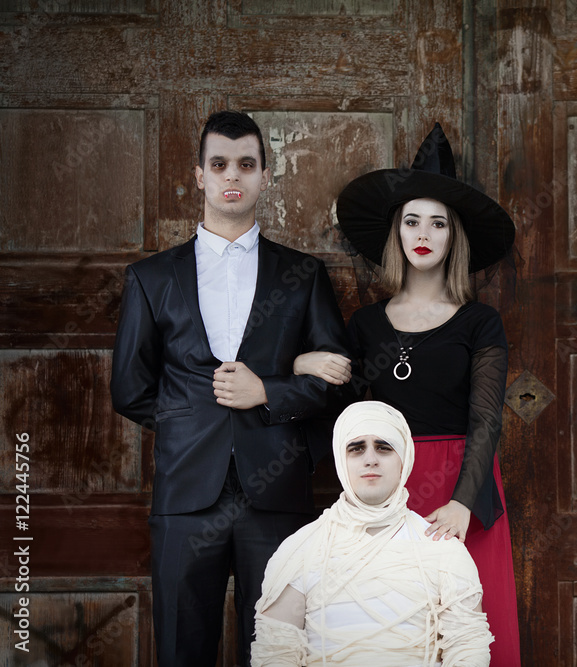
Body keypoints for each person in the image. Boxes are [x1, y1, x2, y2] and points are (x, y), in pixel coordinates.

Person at [110, 110, 356, 666]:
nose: (232, 176)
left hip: (276, 492)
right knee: (181, 648)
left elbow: (337, 383)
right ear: (200, 175)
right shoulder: (151, 277)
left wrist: (268, 391)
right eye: (219, 164)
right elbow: (129, 389)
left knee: (275, 650)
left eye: (246, 164)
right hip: (185, 493)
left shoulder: (303, 274)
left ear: (265, 176)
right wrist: (193, 421)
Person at [294, 123, 520, 664]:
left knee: (467, 630)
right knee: (395, 631)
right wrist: (301, 364)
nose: (424, 233)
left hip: (461, 486)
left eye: (438, 223)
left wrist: (463, 503)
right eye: (412, 220)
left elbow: (486, 419)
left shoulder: (480, 322)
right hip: (388, 484)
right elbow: (342, 413)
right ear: (396, 231)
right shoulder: (366, 323)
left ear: (453, 236)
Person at [251, 400, 493, 665]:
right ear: (340, 460)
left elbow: (467, 648)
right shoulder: (299, 551)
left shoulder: (443, 548)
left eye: (383, 448)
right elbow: (276, 654)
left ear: (404, 460)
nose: (370, 460)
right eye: (356, 449)